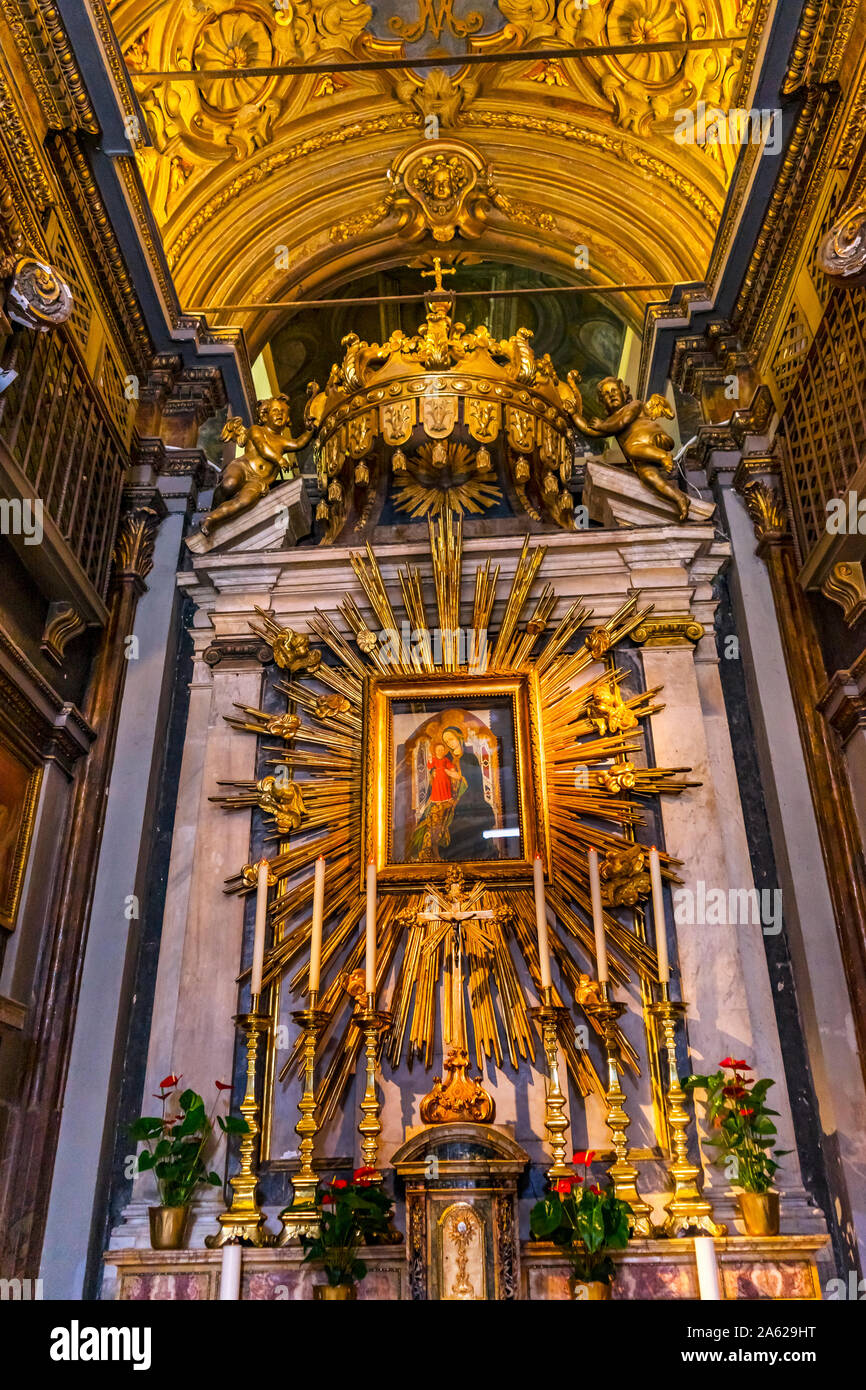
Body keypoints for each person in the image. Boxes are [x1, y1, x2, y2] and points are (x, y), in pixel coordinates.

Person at [440, 726, 496, 860]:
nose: (450, 743)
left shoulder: (470, 758)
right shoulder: (446, 759)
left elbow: (475, 782)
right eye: (447, 742)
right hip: (449, 799)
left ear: (459, 737)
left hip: (469, 801)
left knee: (471, 831)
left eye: (451, 739)